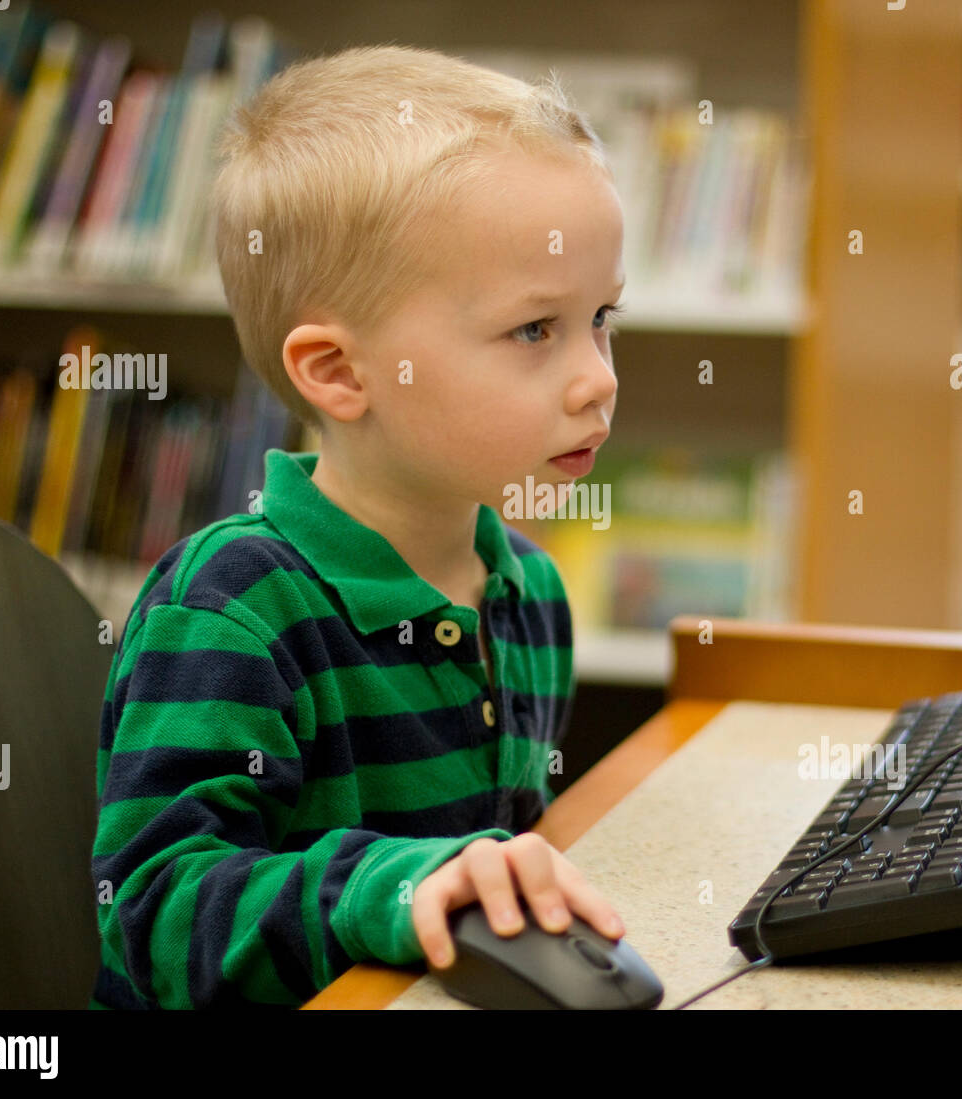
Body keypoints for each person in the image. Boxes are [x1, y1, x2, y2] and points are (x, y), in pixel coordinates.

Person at [90, 43, 626, 1008]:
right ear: (339, 373)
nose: (599, 377)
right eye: (536, 330)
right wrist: (386, 887)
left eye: (603, 318)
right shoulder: (228, 610)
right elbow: (154, 917)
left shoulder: (530, 591)